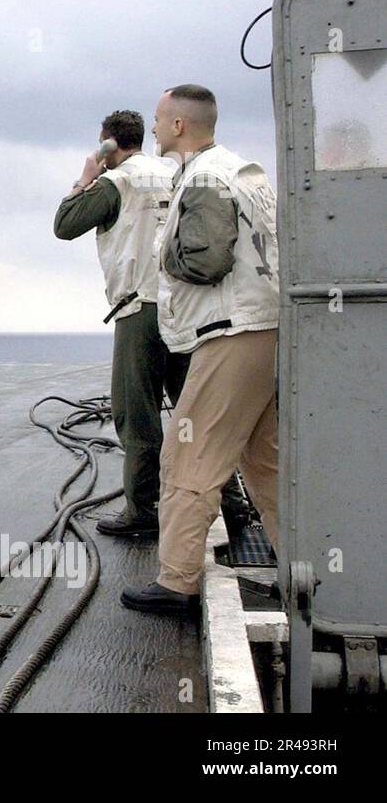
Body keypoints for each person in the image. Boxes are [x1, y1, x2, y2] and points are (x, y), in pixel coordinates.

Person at [121, 84, 281, 614]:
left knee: (189, 456)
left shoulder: (205, 178)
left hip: (231, 333)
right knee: (265, 462)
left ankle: (177, 581)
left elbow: (208, 262)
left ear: (178, 127)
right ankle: (307, 572)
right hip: (266, 331)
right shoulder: (243, 171)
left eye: (159, 118)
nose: (154, 126)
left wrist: (166, 266)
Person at [54, 110, 186, 537]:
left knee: (137, 412)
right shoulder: (173, 172)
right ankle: (228, 503)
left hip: (140, 308)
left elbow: (65, 226)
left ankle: (143, 511)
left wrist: (85, 178)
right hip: (186, 307)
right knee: (193, 409)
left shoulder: (117, 180)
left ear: (109, 144)